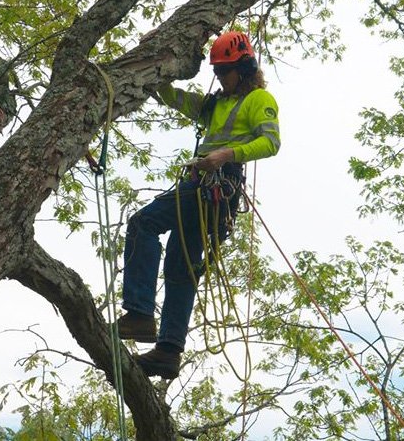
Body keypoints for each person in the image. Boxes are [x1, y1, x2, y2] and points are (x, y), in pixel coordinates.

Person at [117, 31, 281, 379]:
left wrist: (225, 154)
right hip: (204, 187)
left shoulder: (259, 100)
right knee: (181, 267)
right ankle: (167, 352)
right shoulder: (214, 105)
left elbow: (271, 142)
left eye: (225, 72)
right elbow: (170, 96)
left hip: (216, 187)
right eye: (217, 73)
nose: (220, 79)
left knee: (143, 224)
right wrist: (156, 59)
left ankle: (139, 311)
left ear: (246, 67)